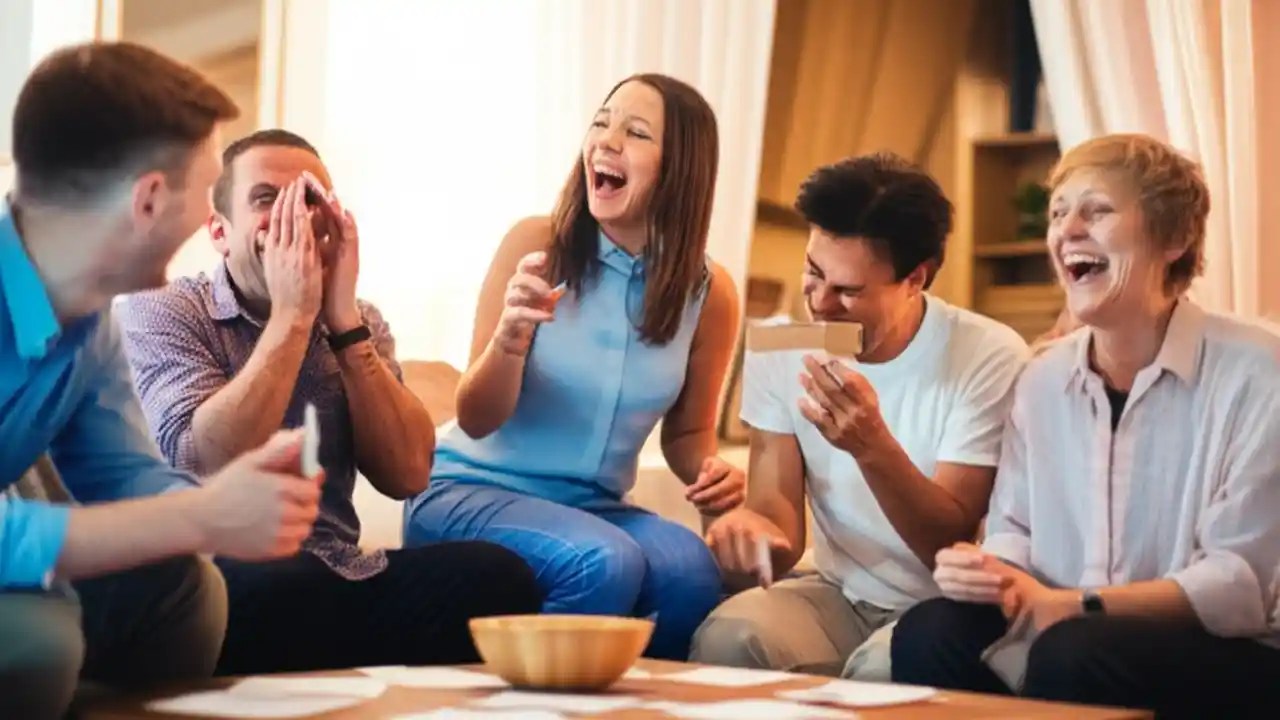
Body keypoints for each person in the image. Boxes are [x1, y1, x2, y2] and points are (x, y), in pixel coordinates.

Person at [119, 129, 543, 675]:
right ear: (219, 232)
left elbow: (409, 474)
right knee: (259, 588)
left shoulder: (359, 317)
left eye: (310, 197)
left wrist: (342, 324)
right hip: (221, 565)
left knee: (499, 576)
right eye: (268, 198)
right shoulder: (164, 310)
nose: (295, 215)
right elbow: (202, 461)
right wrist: (293, 318)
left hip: (337, 569)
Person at [891, 134, 1280, 719]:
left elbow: (1238, 584)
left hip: (1233, 651)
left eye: (1097, 210)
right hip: (1068, 626)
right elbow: (1014, 528)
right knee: (929, 629)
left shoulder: (1258, 371)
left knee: (1075, 652)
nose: (1067, 229)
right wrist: (988, 569)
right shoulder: (1040, 380)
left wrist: (1075, 604)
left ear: (1173, 239)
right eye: (1057, 213)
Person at [0, 42, 323, 719]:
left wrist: (235, 498)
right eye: (203, 194)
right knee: (35, 642)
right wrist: (203, 513)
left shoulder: (90, 323)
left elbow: (128, 474)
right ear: (148, 199)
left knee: (188, 593)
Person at [402, 73, 743, 660]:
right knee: (604, 561)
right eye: (600, 122)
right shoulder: (537, 245)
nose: (606, 142)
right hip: (469, 490)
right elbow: (475, 419)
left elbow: (688, 435)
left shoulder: (710, 295)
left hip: (594, 507)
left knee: (691, 571)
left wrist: (714, 474)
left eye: (635, 133)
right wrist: (509, 342)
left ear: (682, 169)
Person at [689, 152, 1031, 677]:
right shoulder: (782, 345)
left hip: (946, 605)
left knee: (878, 673)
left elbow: (946, 544)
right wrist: (742, 529)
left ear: (915, 279)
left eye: (848, 291)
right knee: (729, 638)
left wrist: (872, 446)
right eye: (812, 273)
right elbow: (777, 526)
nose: (820, 303)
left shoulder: (986, 355)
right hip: (838, 593)